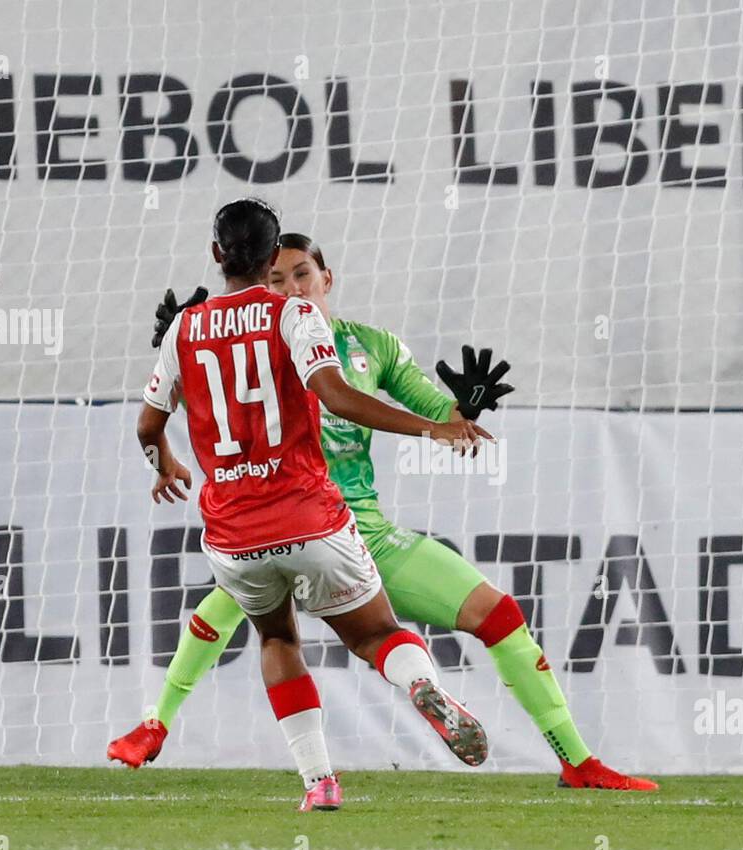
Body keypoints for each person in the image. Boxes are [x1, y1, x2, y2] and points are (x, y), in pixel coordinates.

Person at [110, 232, 657, 790]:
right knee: (232, 618)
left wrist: (459, 408)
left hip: (333, 527)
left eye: (302, 274)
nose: (292, 286)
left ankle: (576, 760)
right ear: (263, 283)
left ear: (328, 278)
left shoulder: (370, 346)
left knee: (496, 617)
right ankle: (156, 725)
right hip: (297, 518)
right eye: (277, 279)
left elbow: (429, 404)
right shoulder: (267, 331)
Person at [131, 197, 491, 811]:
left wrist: (165, 464)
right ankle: (423, 684)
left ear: (217, 255)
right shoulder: (294, 313)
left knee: (277, 641)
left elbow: (147, 426)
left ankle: (319, 783)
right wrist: (433, 428)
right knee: (376, 634)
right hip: (309, 518)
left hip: (232, 538)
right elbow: (339, 397)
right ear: (274, 258)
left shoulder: (183, 329)